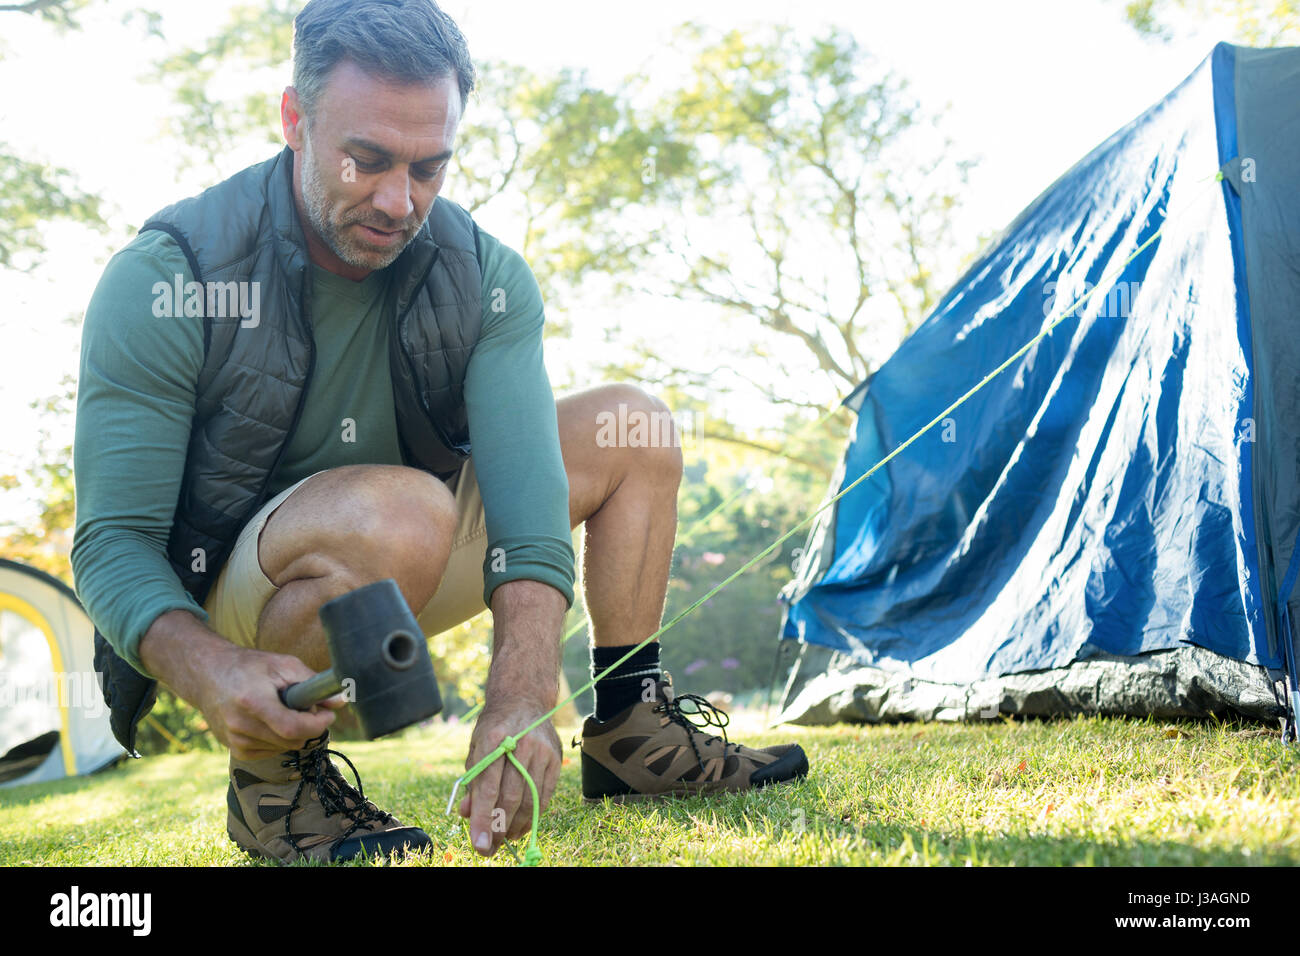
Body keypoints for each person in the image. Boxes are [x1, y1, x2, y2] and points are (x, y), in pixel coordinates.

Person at [72, 0, 808, 865]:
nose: (399, 200)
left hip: (406, 542)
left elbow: (527, 508)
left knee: (633, 425)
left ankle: (630, 726)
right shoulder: (171, 274)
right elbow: (112, 543)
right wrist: (206, 669)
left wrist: (523, 686)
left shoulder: (485, 276)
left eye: (430, 167)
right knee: (403, 511)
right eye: (369, 160)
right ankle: (276, 788)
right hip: (233, 596)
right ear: (293, 120)